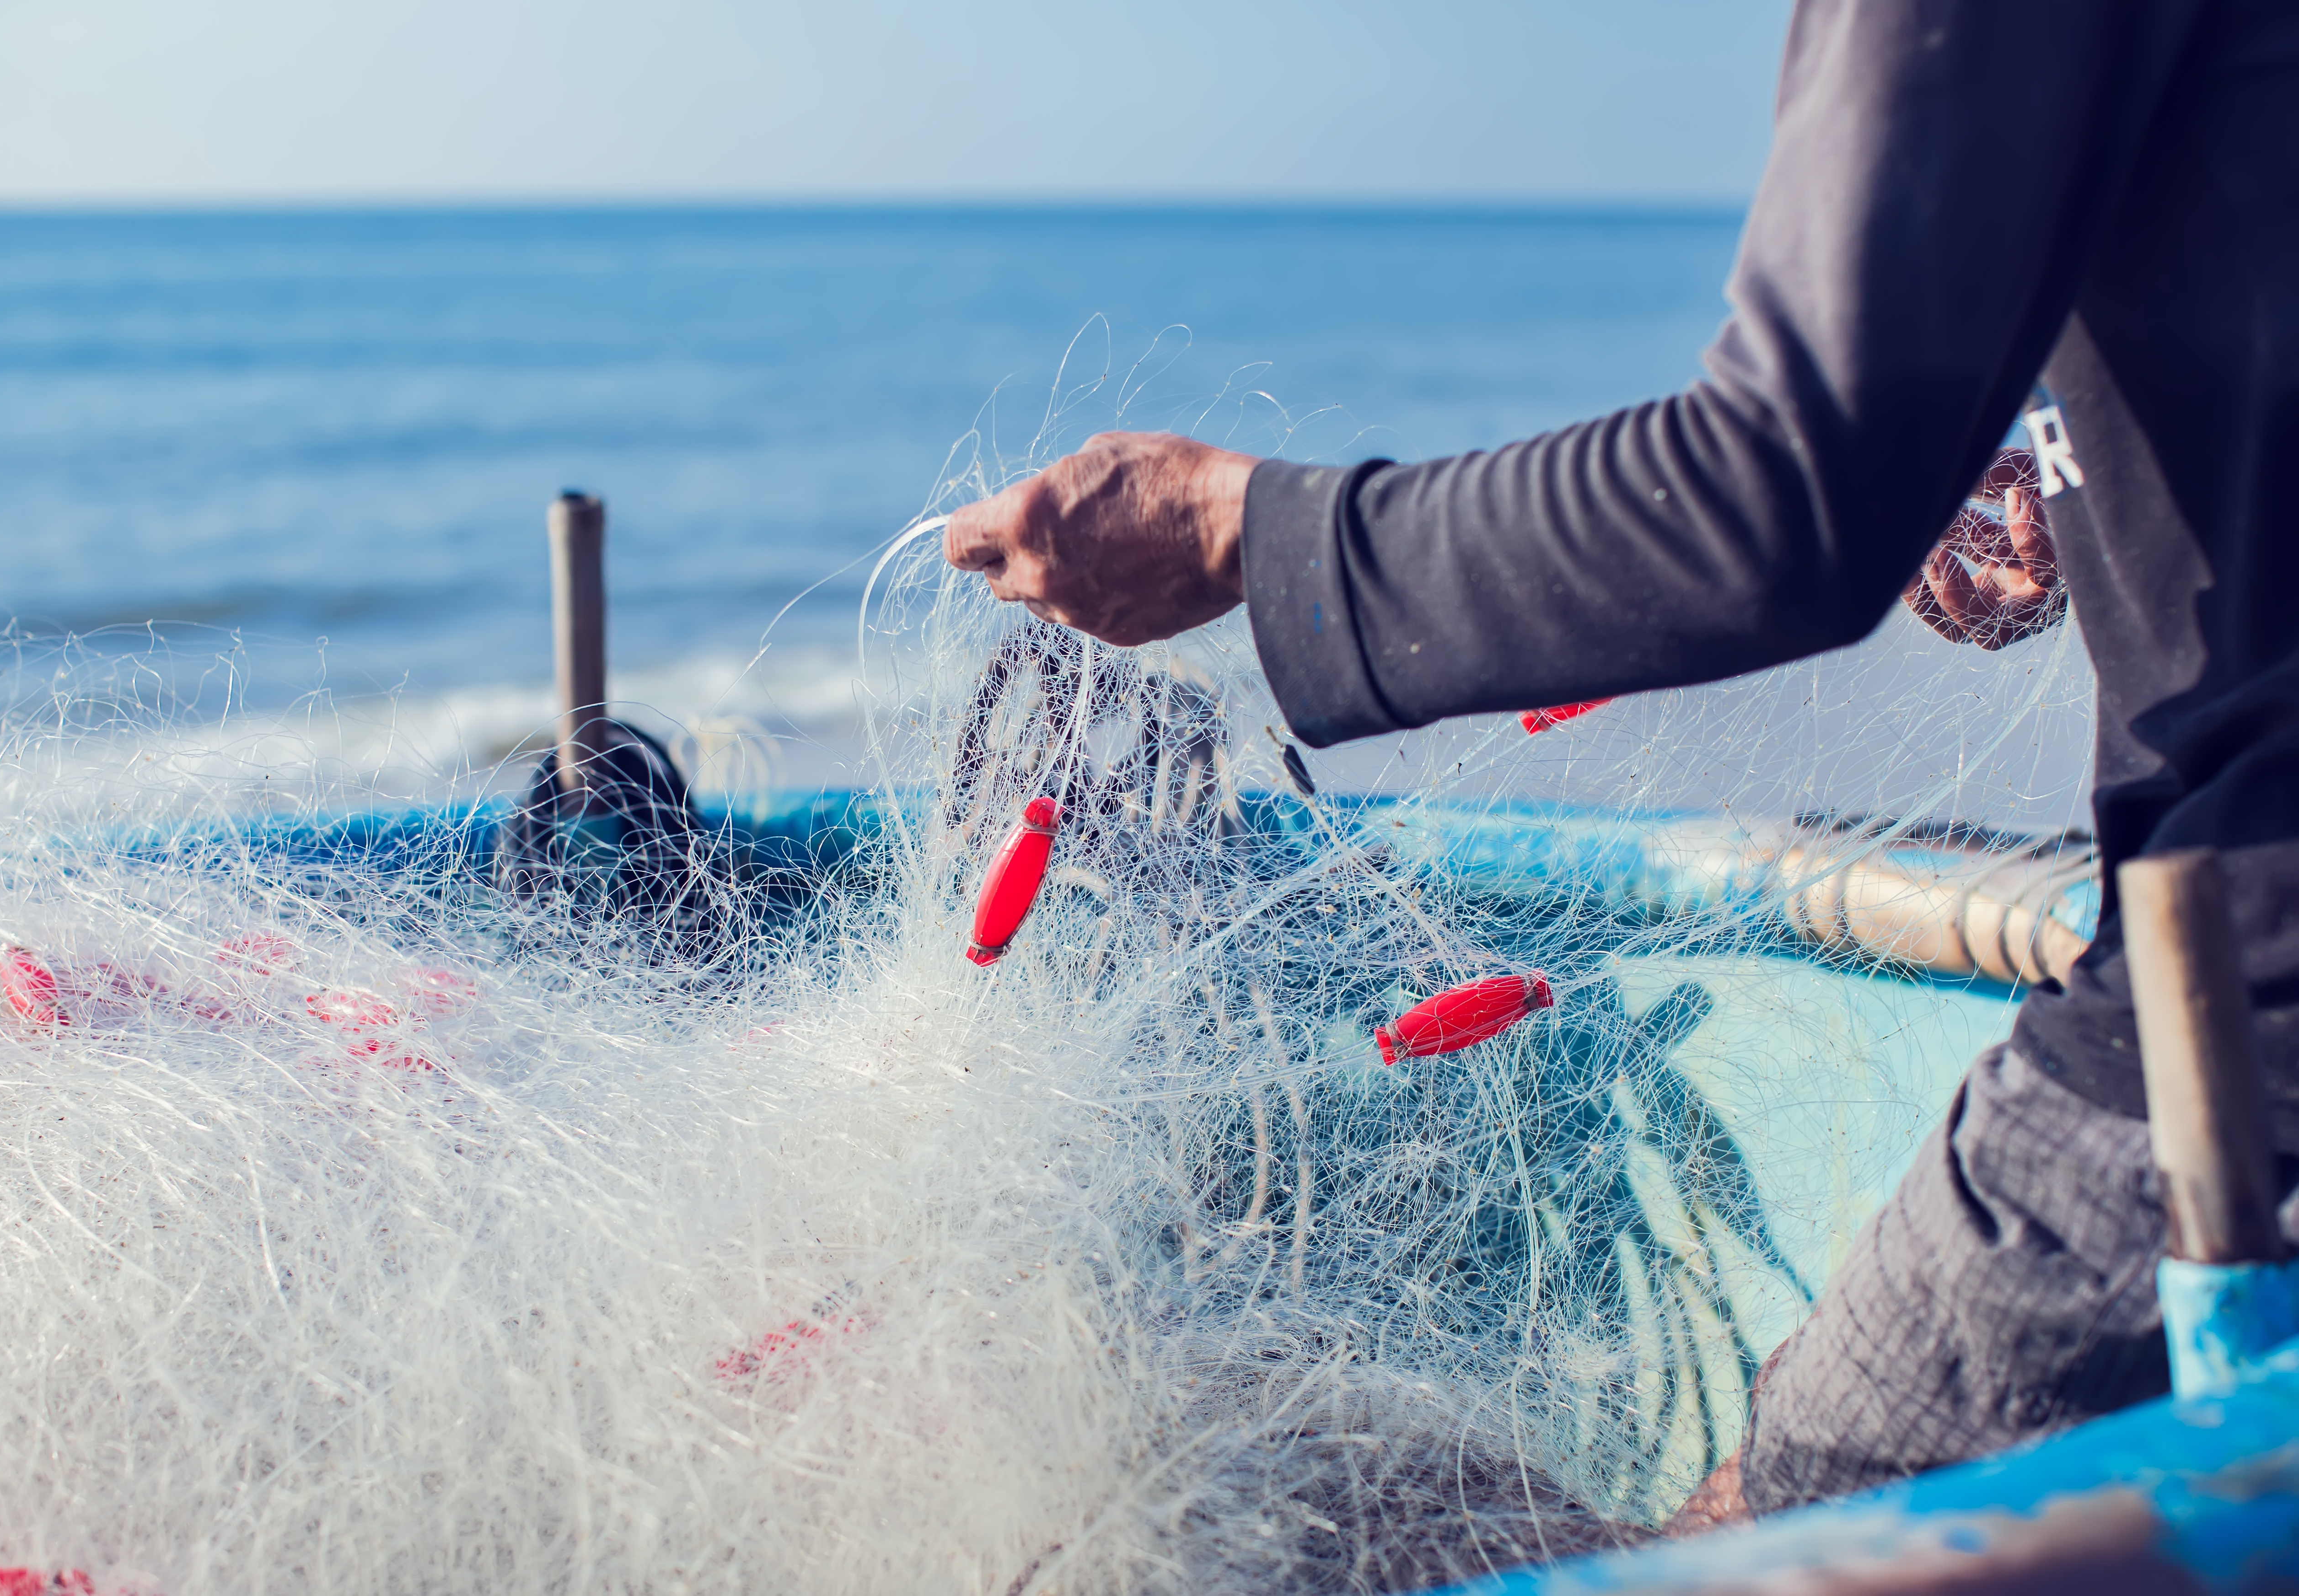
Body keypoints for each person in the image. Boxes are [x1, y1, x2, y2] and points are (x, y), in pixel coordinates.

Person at [942, 0, 2299, 1526]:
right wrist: (2110, 476)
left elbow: (1771, 499)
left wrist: (1244, 539)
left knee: (1754, 1535)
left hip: (2256, 990)